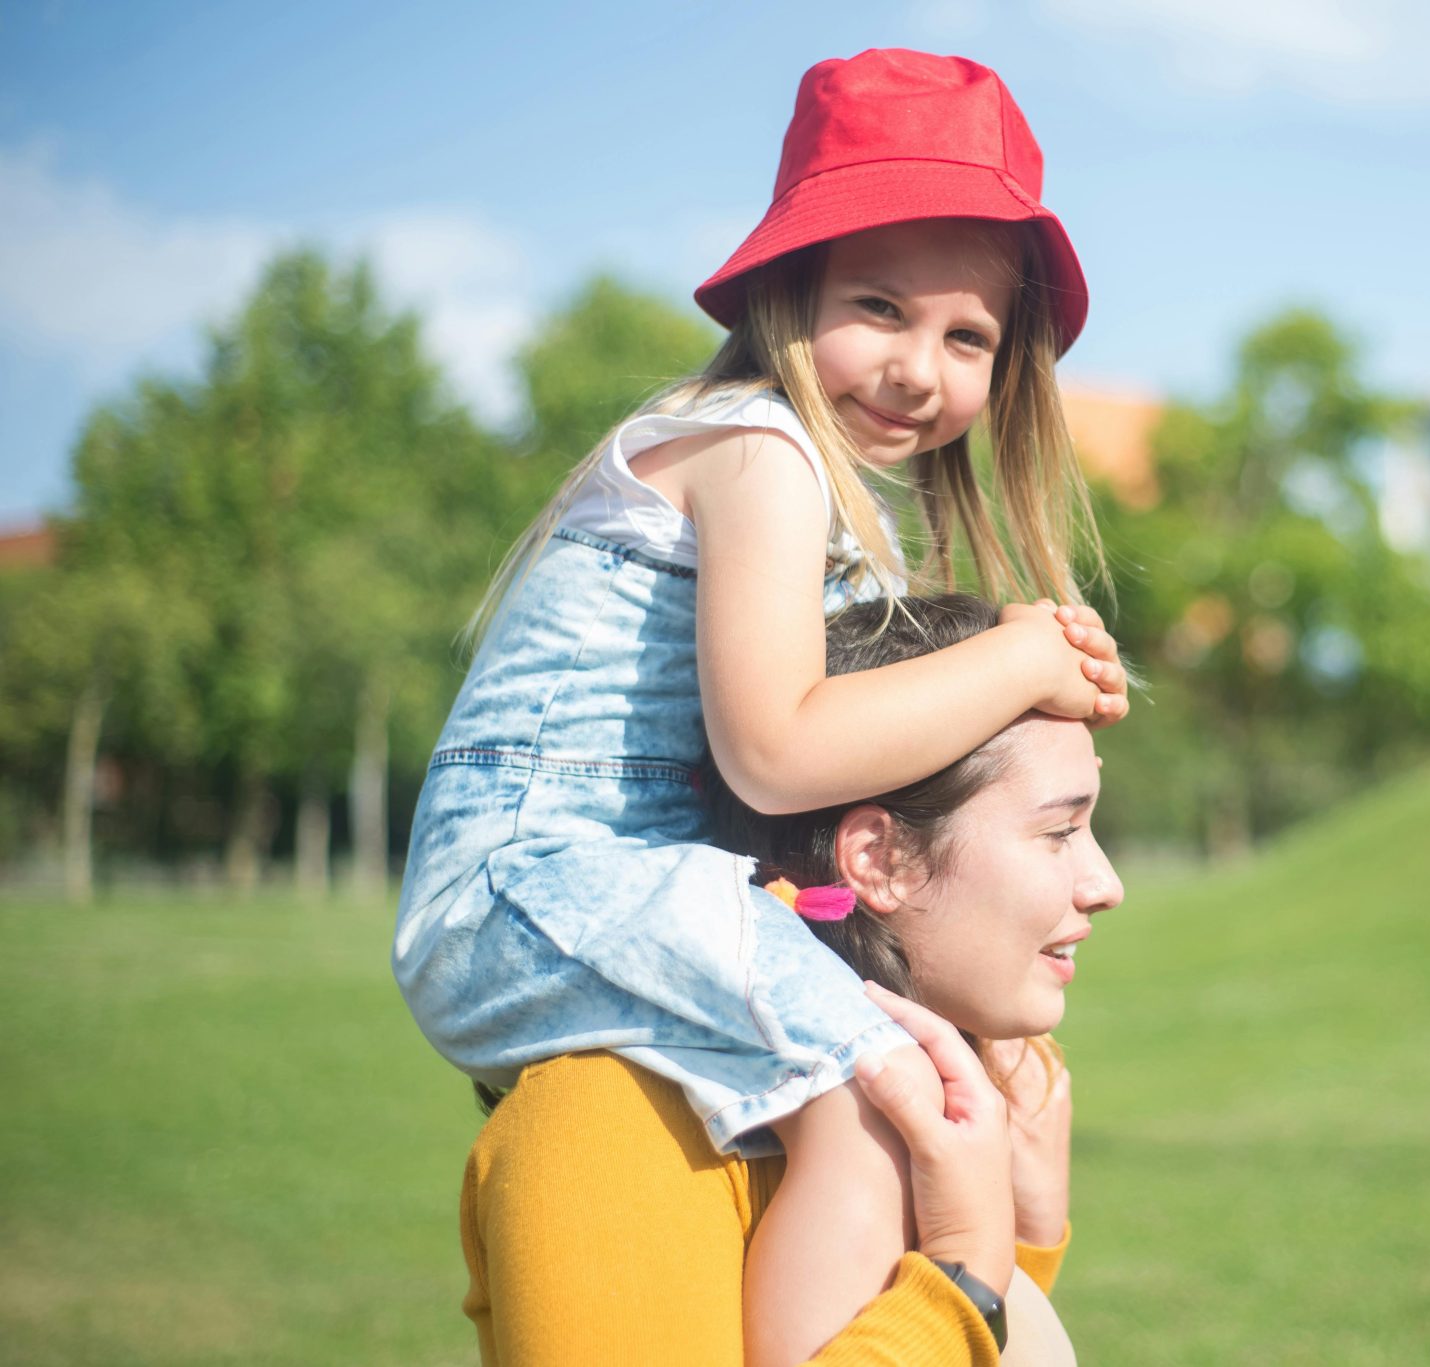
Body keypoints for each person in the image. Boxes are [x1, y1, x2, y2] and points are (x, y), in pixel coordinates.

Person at [392, 49, 1129, 1365]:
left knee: (899, 1088)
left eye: (968, 337)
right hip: (537, 879)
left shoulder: (832, 507)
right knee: (868, 1088)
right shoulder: (758, 447)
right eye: (880, 307)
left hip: (614, 881)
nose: (919, 368)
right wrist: (1018, 658)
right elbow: (781, 750)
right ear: (790, 289)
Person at [459, 596, 1122, 1363]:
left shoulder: (945, 1129)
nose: (1106, 882)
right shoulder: (610, 1123)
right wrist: (964, 1274)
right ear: (877, 859)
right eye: (1060, 831)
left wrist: (1024, 1245)